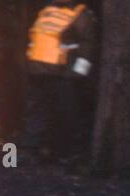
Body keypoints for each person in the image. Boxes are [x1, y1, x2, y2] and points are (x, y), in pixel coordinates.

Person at [24, 1, 98, 162]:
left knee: (65, 114)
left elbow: (88, 44)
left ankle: (65, 152)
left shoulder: (81, 13)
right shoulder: (46, 9)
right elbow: (35, 37)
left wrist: (78, 73)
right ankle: (34, 150)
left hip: (63, 73)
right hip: (38, 70)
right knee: (37, 112)